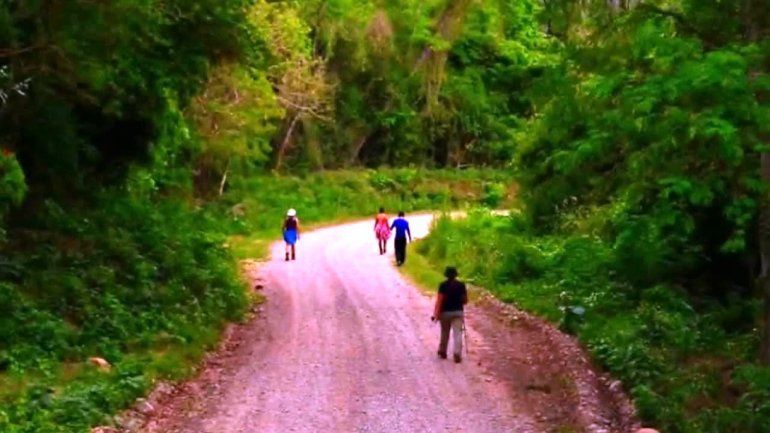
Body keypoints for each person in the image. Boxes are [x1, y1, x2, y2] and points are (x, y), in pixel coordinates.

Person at [431, 267, 468, 363]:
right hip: (458, 312)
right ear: (456, 274)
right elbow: (465, 300)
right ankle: (457, 353)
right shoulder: (461, 285)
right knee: (458, 333)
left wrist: (436, 314)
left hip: (445, 313)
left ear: (446, 275)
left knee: (445, 332)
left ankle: (442, 351)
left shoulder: (443, 285)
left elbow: (439, 301)